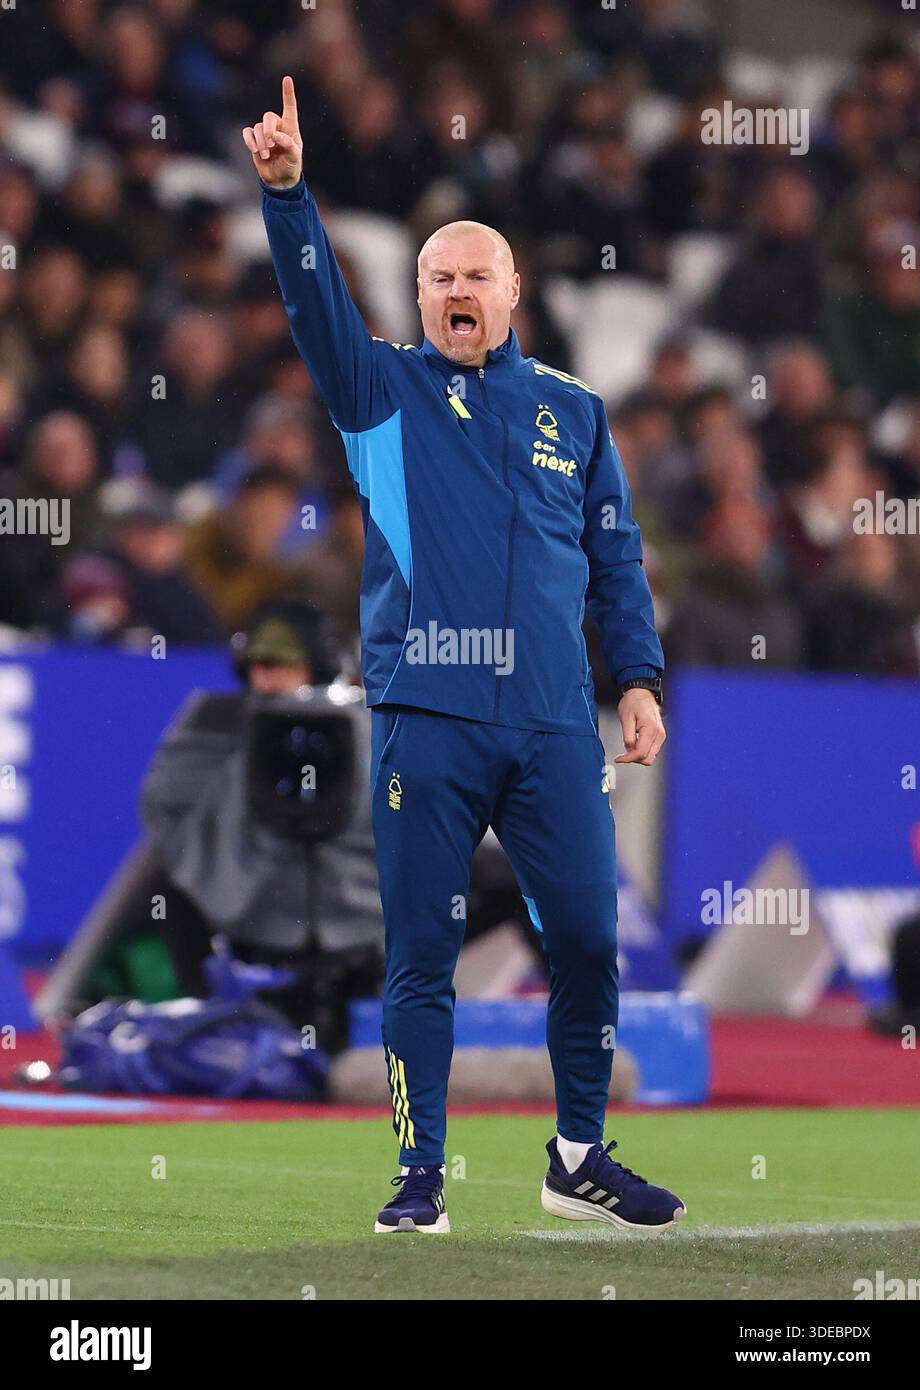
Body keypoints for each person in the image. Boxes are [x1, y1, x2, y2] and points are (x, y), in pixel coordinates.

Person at [243, 77, 684, 1235]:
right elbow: (312, 309)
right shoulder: (378, 388)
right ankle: (419, 1172)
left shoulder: (576, 413)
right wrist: (288, 197)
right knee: (421, 953)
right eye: (437, 275)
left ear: (511, 295)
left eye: (474, 275)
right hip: (425, 712)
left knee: (588, 935)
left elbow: (615, 560)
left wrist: (635, 678)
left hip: (548, 722)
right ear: (421, 295)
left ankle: (577, 1153)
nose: (454, 291)